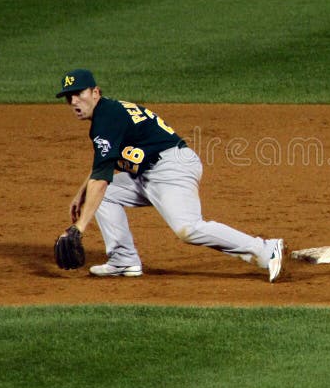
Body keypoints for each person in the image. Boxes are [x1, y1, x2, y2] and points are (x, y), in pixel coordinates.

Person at [54, 69, 284, 281]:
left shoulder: (106, 118)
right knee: (100, 195)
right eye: (68, 97)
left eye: (79, 94)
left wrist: (79, 227)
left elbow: (102, 179)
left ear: (95, 92)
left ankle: (266, 250)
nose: (74, 102)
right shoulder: (108, 113)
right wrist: (82, 193)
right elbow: (104, 163)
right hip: (150, 172)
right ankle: (123, 260)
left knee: (188, 229)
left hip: (171, 168)